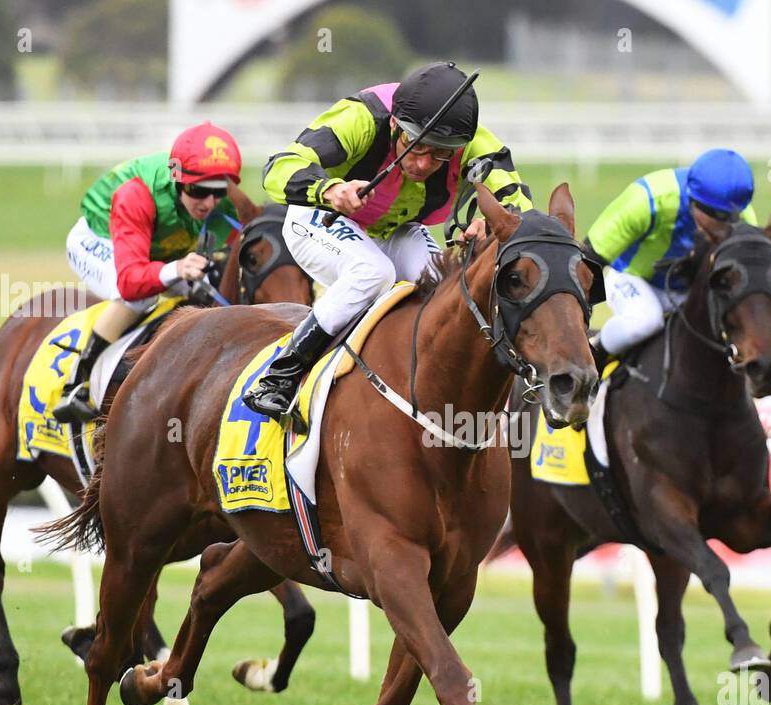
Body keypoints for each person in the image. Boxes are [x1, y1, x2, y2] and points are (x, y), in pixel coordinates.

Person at [242, 61, 532, 429]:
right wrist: (330, 190)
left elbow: (518, 207)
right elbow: (279, 167)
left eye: (441, 154)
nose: (425, 163)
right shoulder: (362, 117)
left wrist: (490, 222)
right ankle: (280, 375)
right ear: (394, 124)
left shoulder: (475, 143)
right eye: (416, 147)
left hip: (392, 228)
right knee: (374, 272)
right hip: (319, 217)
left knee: (446, 290)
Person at [54, 122, 243, 424]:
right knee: (140, 298)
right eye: (198, 191)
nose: (209, 203)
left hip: (154, 243)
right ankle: (79, 381)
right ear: (179, 180)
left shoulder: (221, 206)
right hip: (101, 238)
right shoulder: (136, 196)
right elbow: (131, 281)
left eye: (218, 191)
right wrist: (177, 268)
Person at [582, 149, 758, 370]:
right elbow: (590, 257)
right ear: (693, 201)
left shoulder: (744, 218)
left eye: (729, 219)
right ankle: (592, 358)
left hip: (691, 291)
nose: (721, 227)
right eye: (714, 216)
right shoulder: (648, 198)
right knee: (644, 321)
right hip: (633, 279)